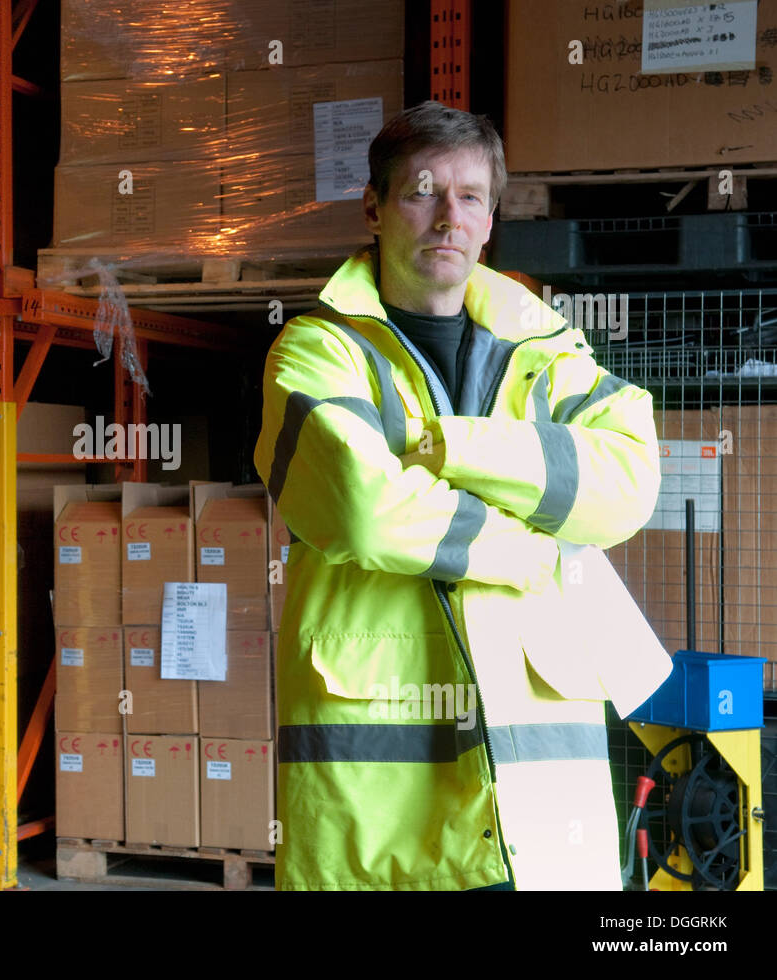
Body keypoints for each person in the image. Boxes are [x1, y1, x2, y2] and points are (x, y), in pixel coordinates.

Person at [254, 101, 664, 890]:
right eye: (422, 192)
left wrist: (452, 447)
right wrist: (530, 545)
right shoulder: (315, 352)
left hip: (540, 807)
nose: (449, 217)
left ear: (490, 219)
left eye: (471, 196)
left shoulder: (549, 353)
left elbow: (629, 483)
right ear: (374, 209)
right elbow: (365, 512)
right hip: (381, 813)